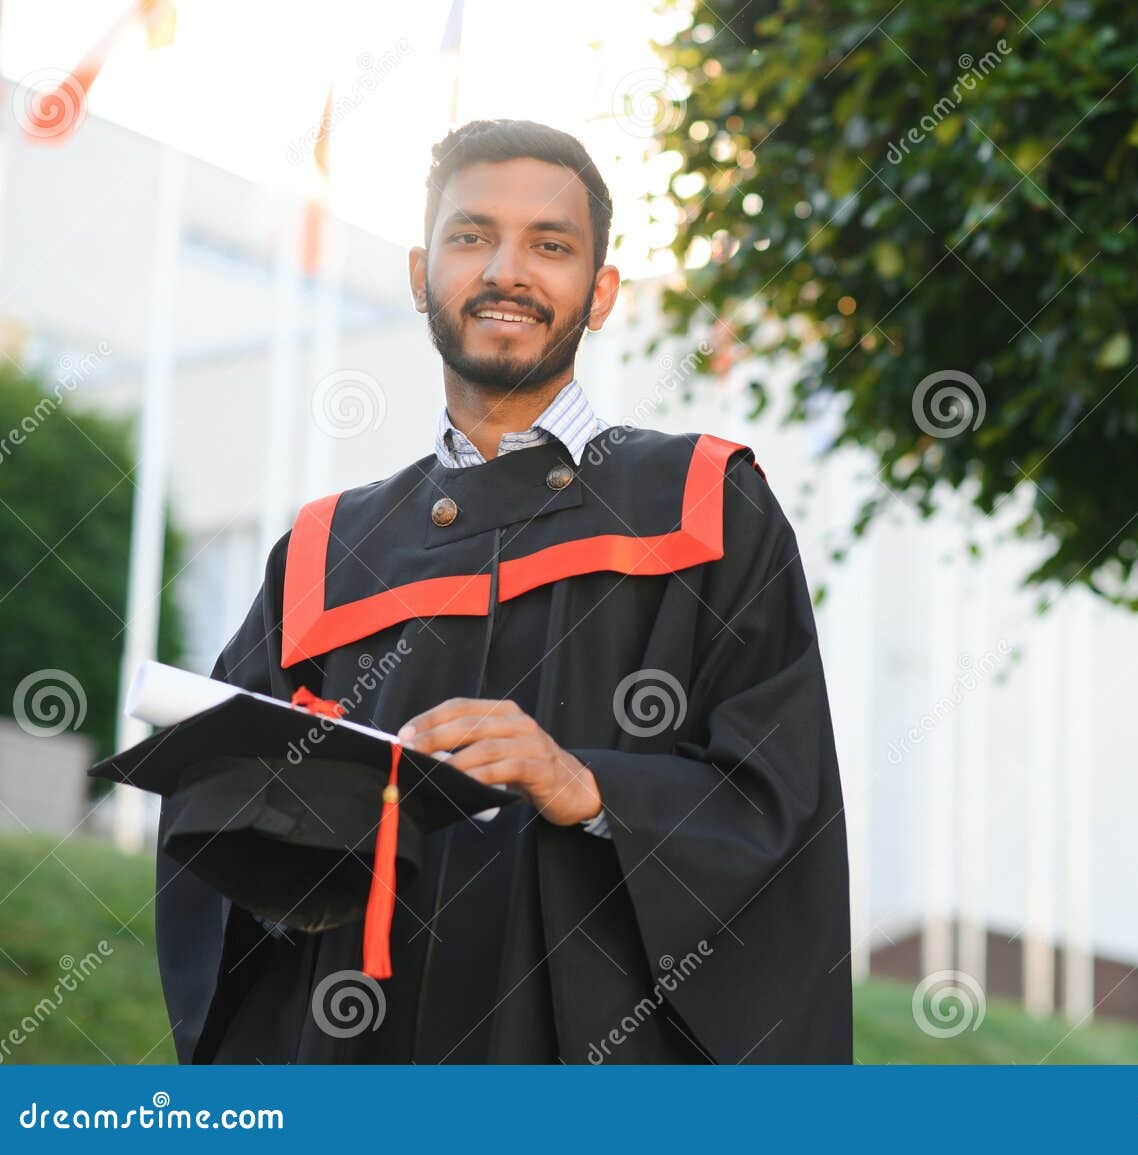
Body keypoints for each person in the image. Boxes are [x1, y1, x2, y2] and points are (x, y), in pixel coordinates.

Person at [153, 119, 853, 1064]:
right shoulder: (329, 551)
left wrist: (588, 783)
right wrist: (310, 788)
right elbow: (217, 860)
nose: (507, 271)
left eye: (551, 246)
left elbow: (779, 805)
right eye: (471, 235)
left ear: (601, 293)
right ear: (419, 272)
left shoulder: (703, 506)